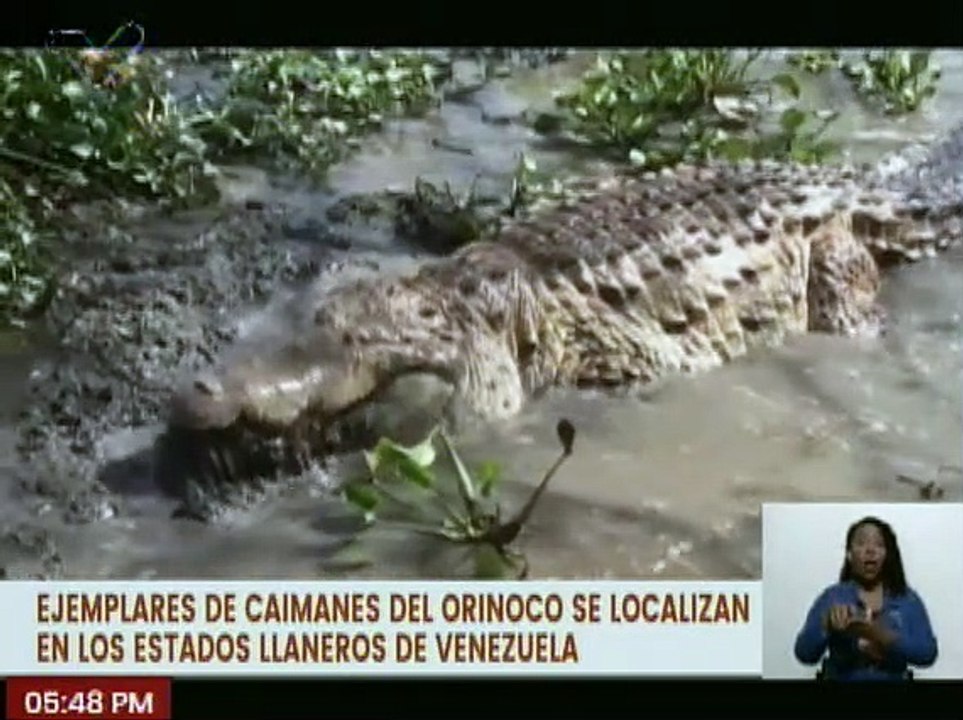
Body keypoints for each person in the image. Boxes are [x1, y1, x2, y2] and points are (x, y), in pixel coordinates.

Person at [793, 515, 938, 681]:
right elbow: (804, 654)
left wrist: (881, 636)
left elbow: (928, 654)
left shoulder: (907, 599)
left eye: (879, 544)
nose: (870, 550)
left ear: (888, 555)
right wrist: (826, 624)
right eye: (861, 543)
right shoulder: (832, 597)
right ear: (849, 554)